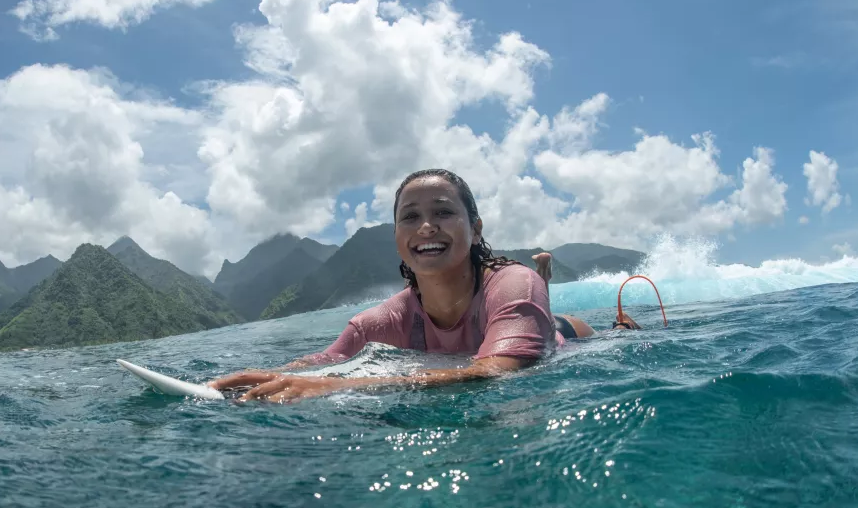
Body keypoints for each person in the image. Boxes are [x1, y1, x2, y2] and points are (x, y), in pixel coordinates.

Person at [208, 168, 638, 403]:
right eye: (410, 217)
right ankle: (540, 301)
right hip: (507, 323)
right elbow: (325, 360)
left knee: (595, 339)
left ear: (475, 227)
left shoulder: (512, 284)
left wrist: (335, 386)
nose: (426, 226)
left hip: (564, 338)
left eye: (443, 212)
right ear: (397, 238)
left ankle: (555, 301)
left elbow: (495, 373)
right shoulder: (376, 323)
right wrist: (267, 377)